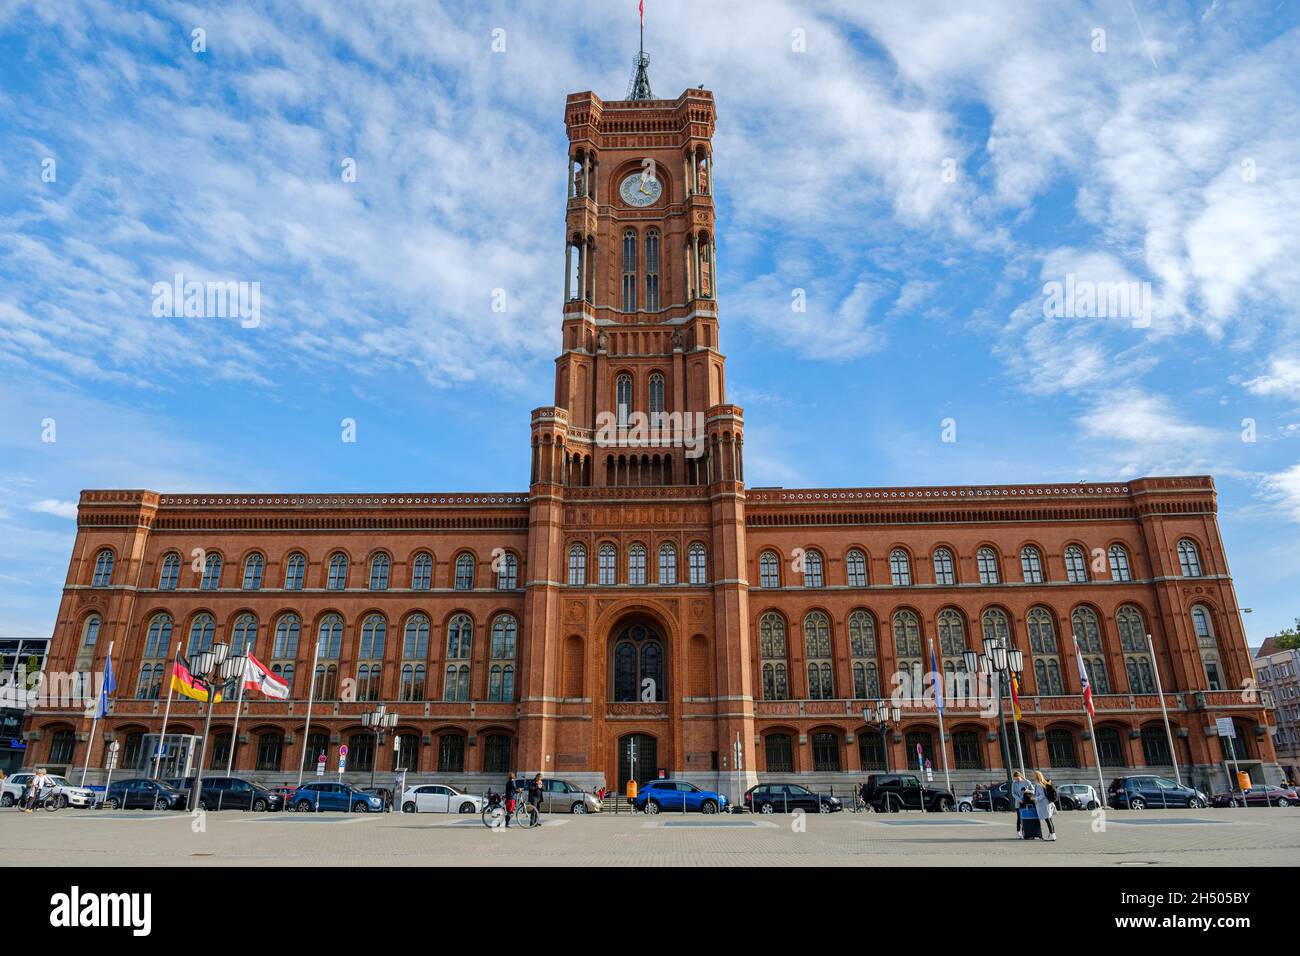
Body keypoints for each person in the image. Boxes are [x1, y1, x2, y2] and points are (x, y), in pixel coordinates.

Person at [1032, 770, 1058, 841]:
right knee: (1049, 819)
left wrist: (1035, 799)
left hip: (1044, 804)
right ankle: (1052, 834)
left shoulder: (1038, 785)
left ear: (1036, 776)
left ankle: (1052, 835)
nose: (1033, 776)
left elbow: (1042, 795)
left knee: (1047, 819)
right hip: (1047, 803)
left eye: (1034, 775)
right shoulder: (1044, 783)